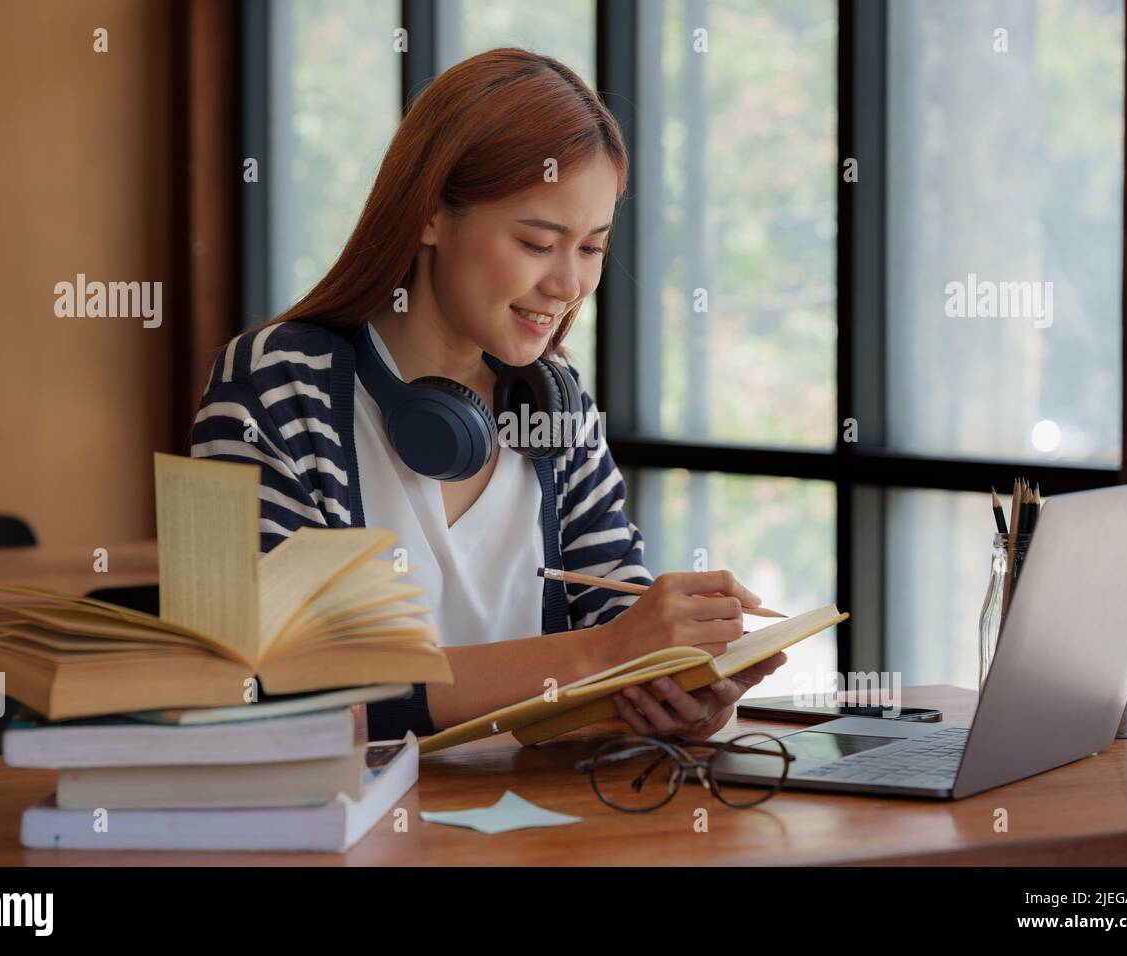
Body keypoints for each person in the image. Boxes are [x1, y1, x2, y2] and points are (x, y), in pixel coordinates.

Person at [190, 48, 785, 742]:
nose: (569, 285)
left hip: (538, 834)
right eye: (538, 242)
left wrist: (678, 695)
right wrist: (601, 656)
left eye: (592, 248)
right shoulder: (271, 383)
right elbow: (269, 687)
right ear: (431, 216)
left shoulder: (557, 408)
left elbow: (619, 647)